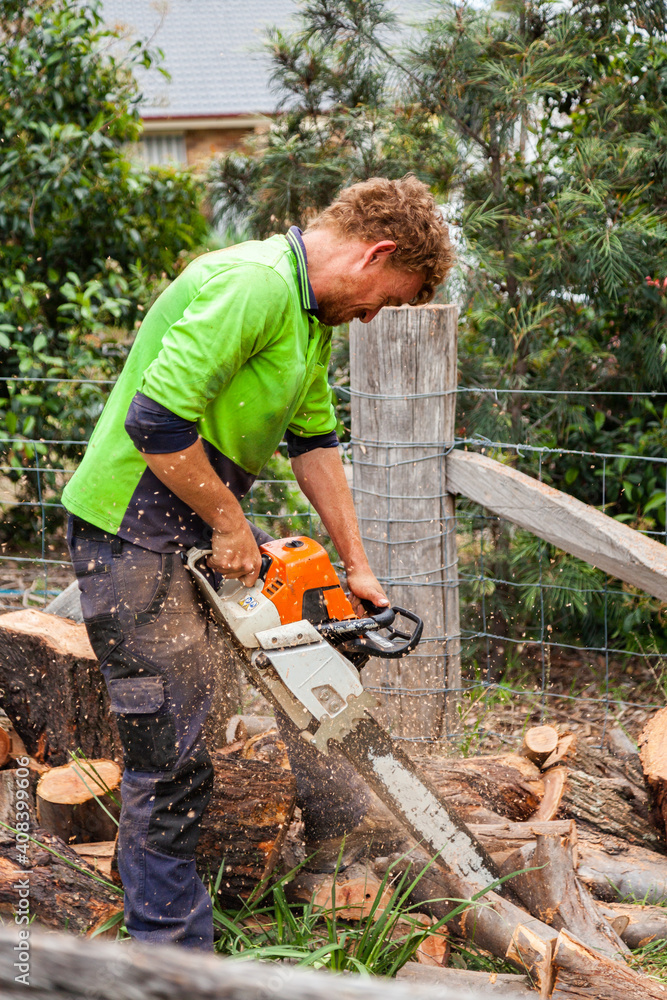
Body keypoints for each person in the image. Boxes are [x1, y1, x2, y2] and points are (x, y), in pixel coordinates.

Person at [62, 174, 453, 950]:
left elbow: (313, 443)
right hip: (131, 530)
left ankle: (338, 854)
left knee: (251, 698)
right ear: (375, 252)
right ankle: (174, 963)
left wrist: (357, 565)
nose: (374, 315)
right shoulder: (253, 286)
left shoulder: (308, 317)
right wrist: (231, 522)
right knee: (168, 755)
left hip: (188, 527)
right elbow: (156, 420)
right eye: (386, 298)